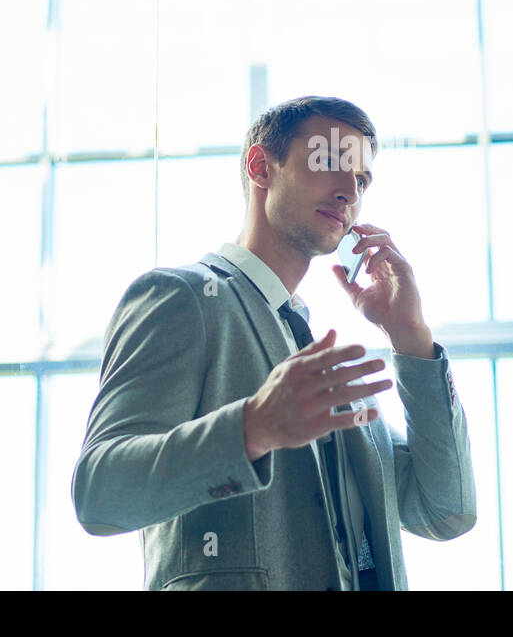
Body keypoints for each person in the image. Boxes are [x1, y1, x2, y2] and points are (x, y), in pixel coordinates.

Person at [71, 96, 475, 589]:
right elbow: (99, 493)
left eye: (362, 180)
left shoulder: (327, 374)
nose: (349, 190)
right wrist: (252, 429)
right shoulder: (182, 298)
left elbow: (446, 510)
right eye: (329, 162)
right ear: (261, 167)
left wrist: (411, 338)